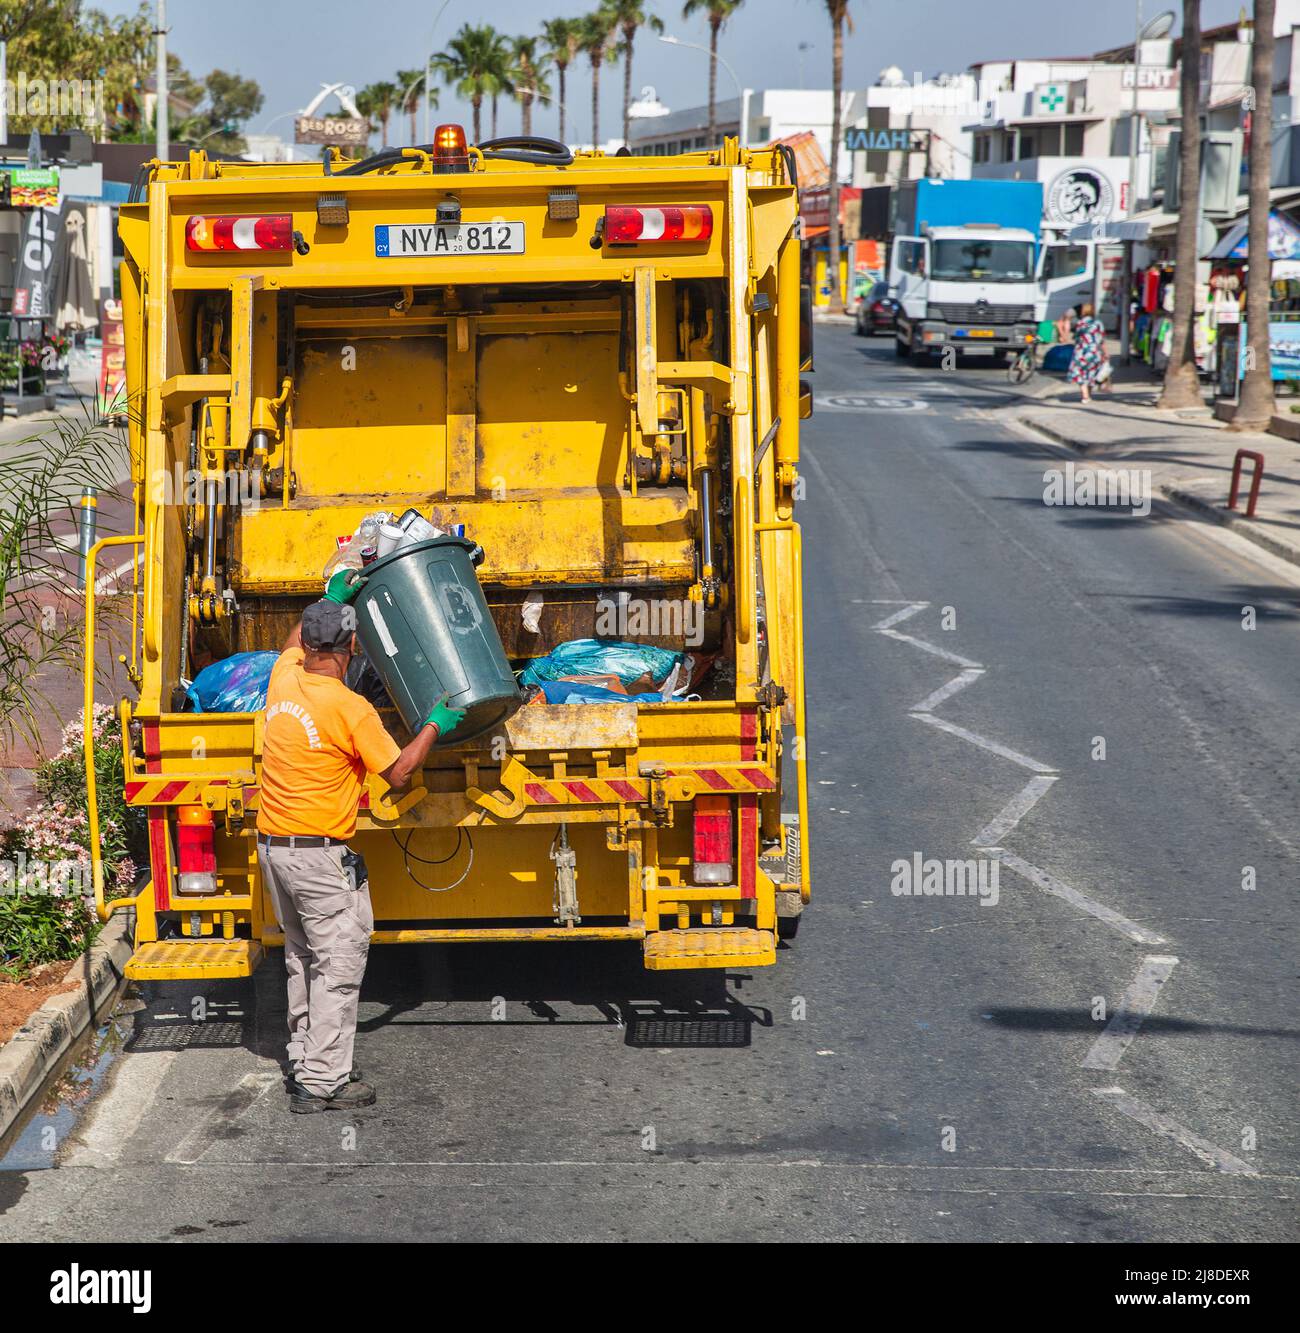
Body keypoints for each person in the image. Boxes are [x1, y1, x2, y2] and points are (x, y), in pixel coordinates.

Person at [256, 583, 465, 1114]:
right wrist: (434, 726)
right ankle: (323, 1082)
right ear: (351, 651)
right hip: (320, 858)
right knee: (339, 964)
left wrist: (329, 595)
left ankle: (308, 1057)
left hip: (276, 851)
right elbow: (397, 772)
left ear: (306, 646)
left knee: (302, 957)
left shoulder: (282, 681)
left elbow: (287, 644)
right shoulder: (350, 709)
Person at [1067, 302, 1108, 403]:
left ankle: (1085, 395)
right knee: (1091, 373)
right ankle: (1088, 394)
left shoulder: (1080, 323)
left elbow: (1076, 338)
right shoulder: (1098, 323)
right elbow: (1102, 339)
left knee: (1079, 372)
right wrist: (1105, 353)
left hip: (1081, 352)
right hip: (1095, 352)